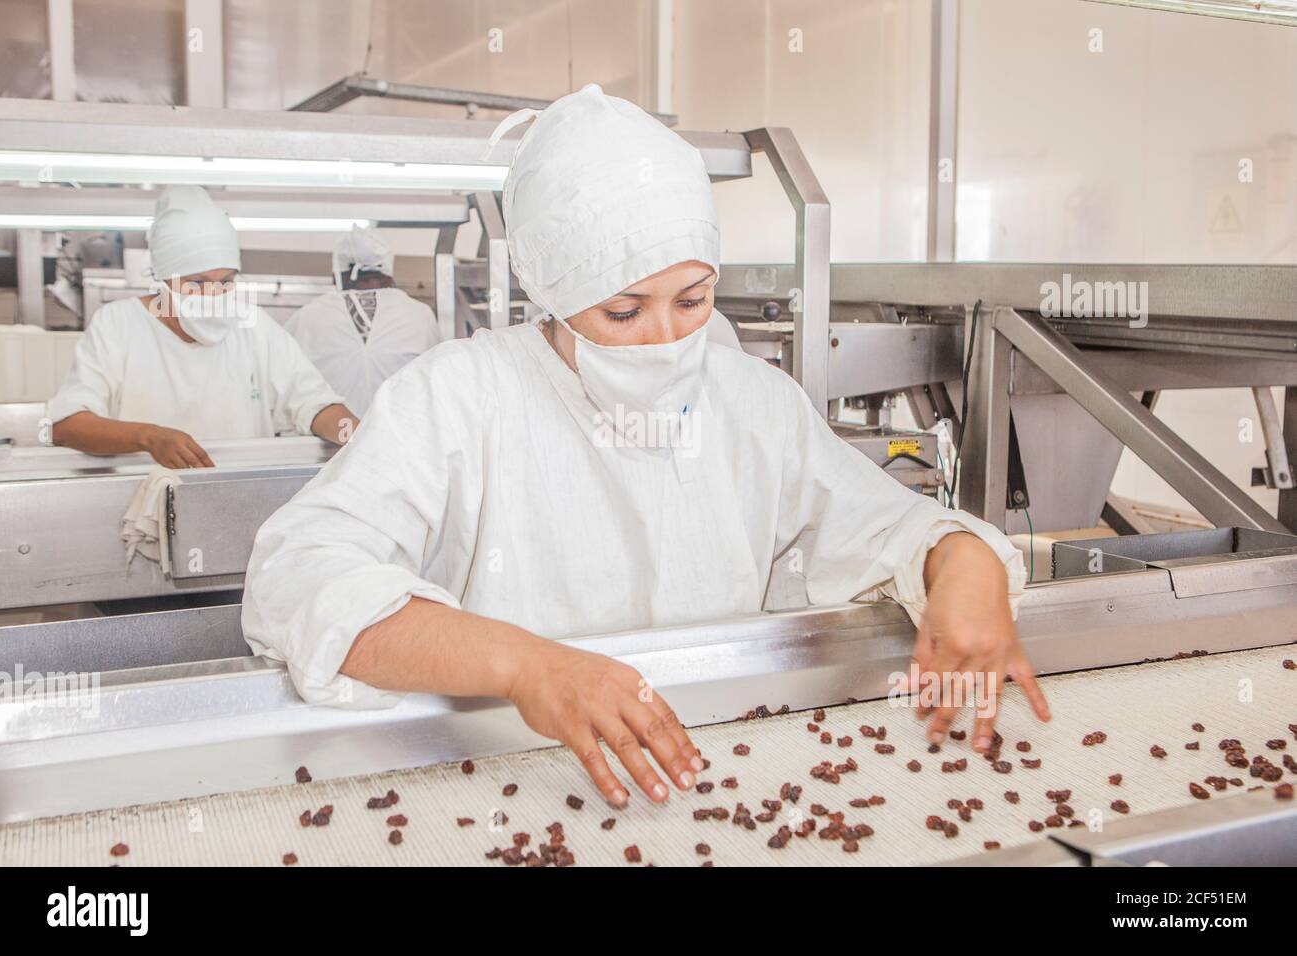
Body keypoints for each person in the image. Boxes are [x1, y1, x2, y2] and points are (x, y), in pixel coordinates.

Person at [243, 85, 1049, 808]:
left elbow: (886, 527)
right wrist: (527, 666)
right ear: (552, 293)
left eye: (692, 300)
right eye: (624, 312)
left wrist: (962, 564)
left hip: (712, 773)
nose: (665, 339)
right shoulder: (459, 397)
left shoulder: (754, 404)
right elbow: (299, 576)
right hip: (508, 782)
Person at [47, 186, 358, 468]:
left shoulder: (253, 327)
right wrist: (150, 438)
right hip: (139, 494)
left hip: (237, 494)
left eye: (226, 282)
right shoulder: (118, 325)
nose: (213, 295)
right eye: (196, 283)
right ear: (163, 279)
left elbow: (316, 405)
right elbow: (66, 425)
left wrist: (356, 437)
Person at [284, 227, 443, 418]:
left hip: (332, 435)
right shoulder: (420, 315)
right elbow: (438, 387)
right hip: (403, 434)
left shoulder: (308, 316)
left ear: (337, 276)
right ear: (389, 275)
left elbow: (284, 387)